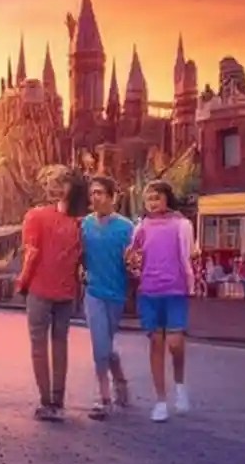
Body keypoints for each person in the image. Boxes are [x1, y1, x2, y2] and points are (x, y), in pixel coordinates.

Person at [16, 166, 88, 422]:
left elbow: (31, 254)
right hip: (66, 291)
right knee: (60, 343)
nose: (52, 186)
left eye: (57, 182)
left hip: (40, 289)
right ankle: (58, 400)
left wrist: (22, 283)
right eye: (49, 182)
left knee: (39, 345)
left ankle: (46, 401)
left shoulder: (35, 216)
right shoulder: (80, 222)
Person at [126, 179, 196, 423]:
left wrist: (192, 281)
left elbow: (189, 253)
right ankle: (160, 401)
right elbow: (131, 254)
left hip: (175, 291)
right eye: (149, 199)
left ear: (167, 198)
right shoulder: (141, 227)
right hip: (149, 292)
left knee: (175, 344)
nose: (153, 203)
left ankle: (180, 386)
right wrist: (132, 264)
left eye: (157, 197)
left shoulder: (181, 224)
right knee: (156, 343)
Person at [81, 175, 134, 420]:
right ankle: (103, 398)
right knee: (100, 346)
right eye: (92, 193)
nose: (95, 197)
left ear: (113, 197)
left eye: (100, 192)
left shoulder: (127, 228)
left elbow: (135, 261)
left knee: (107, 344)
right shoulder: (84, 225)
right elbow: (77, 254)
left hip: (117, 293)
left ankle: (120, 381)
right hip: (93, 292)